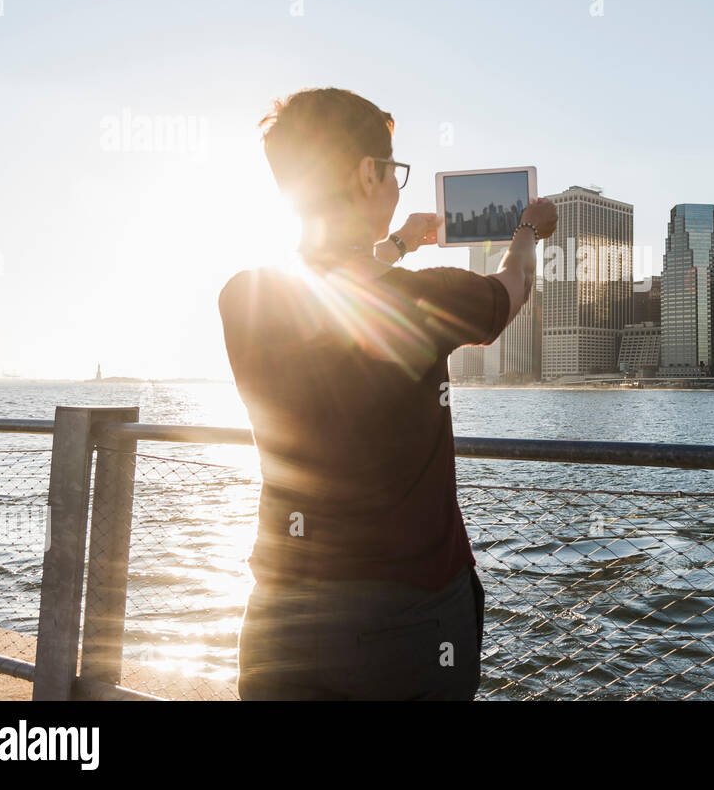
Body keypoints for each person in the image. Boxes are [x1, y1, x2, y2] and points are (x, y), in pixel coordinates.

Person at [218, 87, 557, 699]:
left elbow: (332, 289)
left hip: (280, 616)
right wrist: (529, 229)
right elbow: (515, 284)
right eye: (394, 170)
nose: (398, 185)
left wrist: (397, 244)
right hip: (406, 621)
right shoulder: (427, 298)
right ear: (368, 174)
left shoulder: (245, 297)